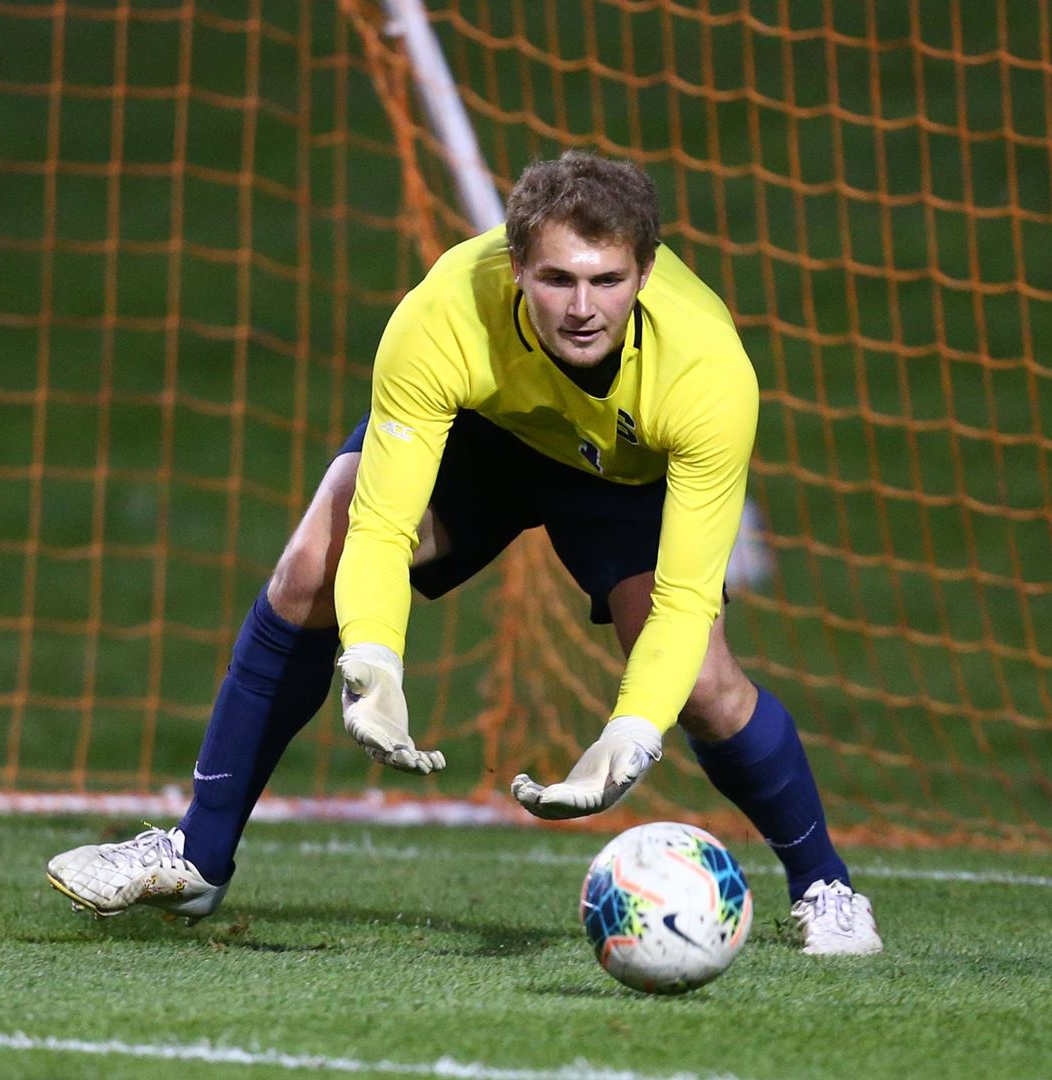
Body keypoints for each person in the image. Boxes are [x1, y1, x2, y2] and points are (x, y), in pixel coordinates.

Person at [45, 151, 882, 955]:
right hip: (481, 438)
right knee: (310, 570)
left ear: (647, 272)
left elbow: (687, 602)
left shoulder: (707, 374)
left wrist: (630, 732)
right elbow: (379, 523)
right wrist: (373, 659)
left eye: (607, 280)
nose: (582, 306)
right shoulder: (443, 312)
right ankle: (196, 855)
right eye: (556, 279)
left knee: (702, 684)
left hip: (621, 473)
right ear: (515, 265)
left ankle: (824, 887)